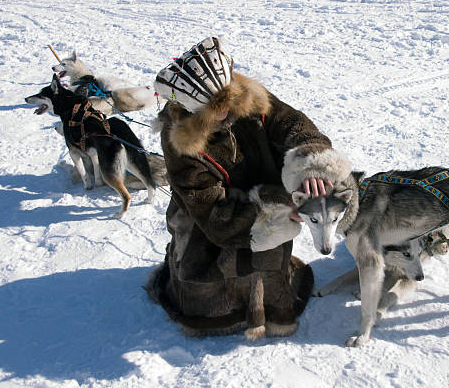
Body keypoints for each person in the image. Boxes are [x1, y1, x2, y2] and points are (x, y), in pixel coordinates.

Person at [146, 37, 351, 338]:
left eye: (230, 99)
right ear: (195, 110)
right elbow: (211, 214)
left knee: (270, 271)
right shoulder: (180, 143)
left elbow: (291, 123)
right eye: (217, 107)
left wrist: (311, 160)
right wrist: (277, 206)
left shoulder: (249, 98)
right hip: (208, 219)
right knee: (205, 289)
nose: (229, 110)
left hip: (266, 196)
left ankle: (270, 308)